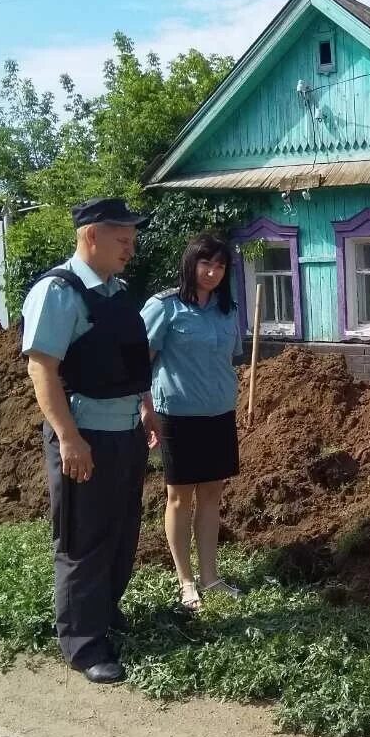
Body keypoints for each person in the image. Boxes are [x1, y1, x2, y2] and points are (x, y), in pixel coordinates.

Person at [21, 196, 158, 686]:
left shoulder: (116, 292)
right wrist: (69, 438)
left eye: (133, 240)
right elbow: (43, 369)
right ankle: (82, 643)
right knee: (84, 537)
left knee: (121, 532)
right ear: (92, 236)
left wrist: (145, 409)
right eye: (124, 239)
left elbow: (128, 362)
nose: (131, 248)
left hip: (123, 431)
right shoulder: (59, 292)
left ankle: (104, 611)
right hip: (85, 435)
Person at [139, 234, 244, 611]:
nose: (212, 272)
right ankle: (186, 580)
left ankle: (210, 576)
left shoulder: (226, 309)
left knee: (212, 494)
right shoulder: (164, 307)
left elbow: (228, 359)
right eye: (205, 264)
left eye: (219, 266)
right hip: (177, 416)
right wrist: (145, 408)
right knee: (180, 497)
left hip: (218, 414)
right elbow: (140, 362)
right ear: (191, 264)